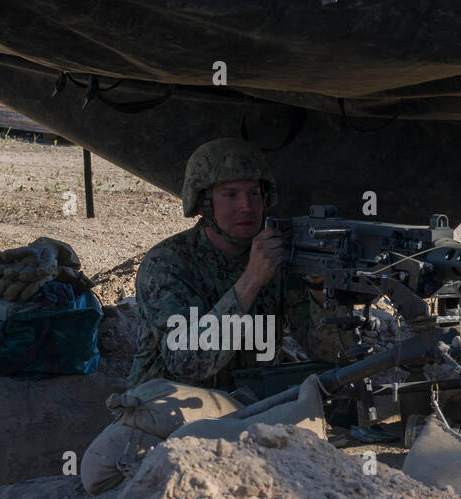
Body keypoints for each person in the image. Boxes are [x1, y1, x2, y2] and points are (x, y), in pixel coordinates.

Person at [128, 137, 355, 390]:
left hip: (251, 405)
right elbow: (186, 363)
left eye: (254, 193)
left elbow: (333, 354)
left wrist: (320, 291)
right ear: (204, 204)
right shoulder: (167, 264)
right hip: (168, 410)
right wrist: (250, 282)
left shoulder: (278, 258)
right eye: (231, 195)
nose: (246, 207)